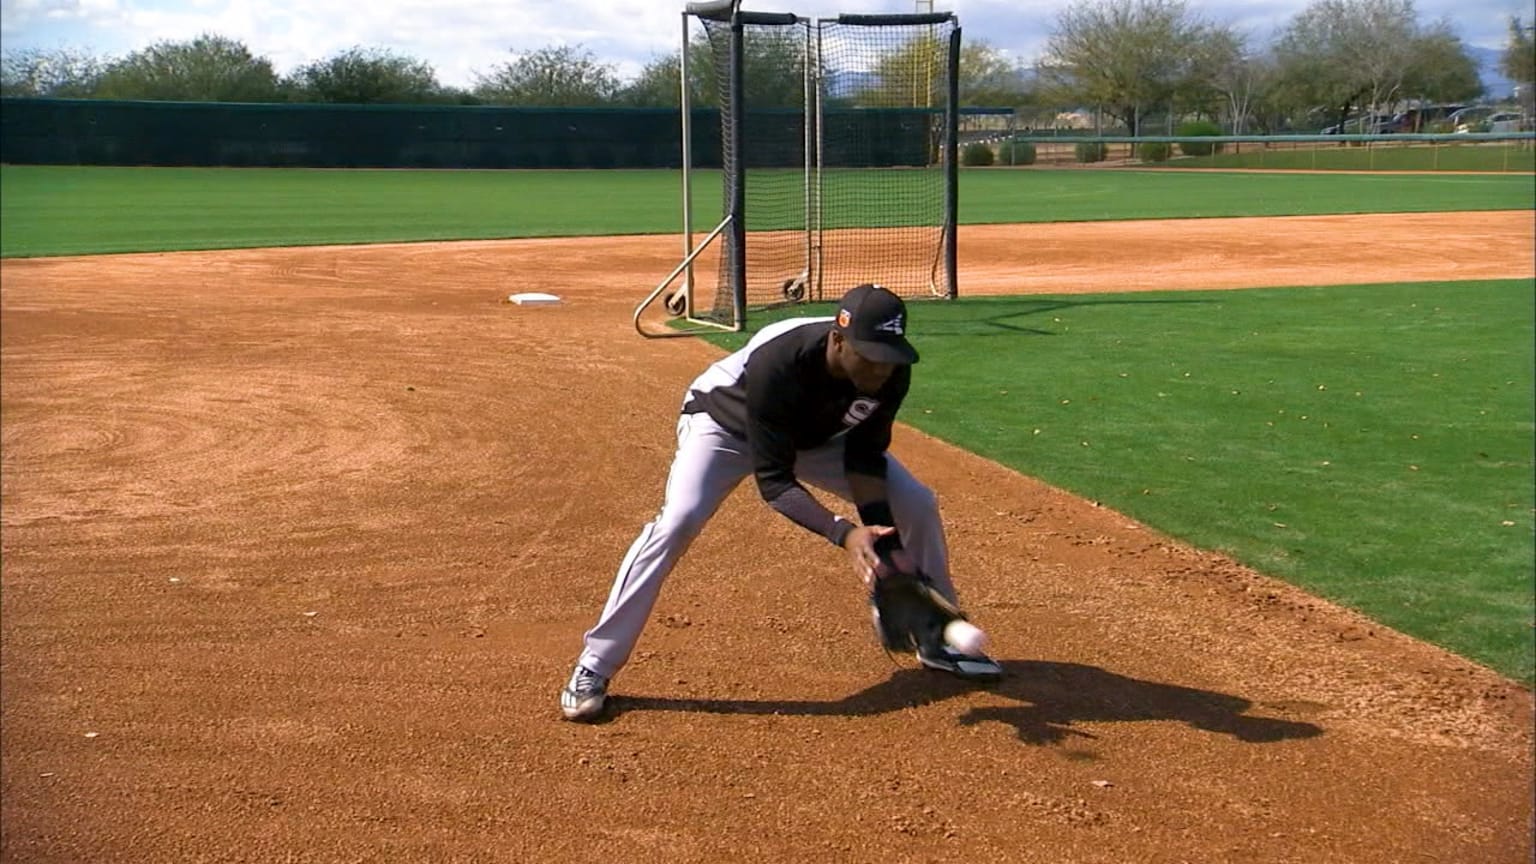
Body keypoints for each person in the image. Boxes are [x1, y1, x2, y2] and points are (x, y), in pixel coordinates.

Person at [560, 283, 1001, 722]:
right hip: (725, 427)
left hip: (818, 439)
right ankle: (594, 665)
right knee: (678, 521)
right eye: (868, 357)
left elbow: (865, 458)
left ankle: (934, 632)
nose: (879, 370)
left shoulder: (892, 368)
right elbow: (774, 482)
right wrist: (845, 534)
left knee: (916, 502)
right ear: (837, 338)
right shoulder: (781, 359)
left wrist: (886, 547)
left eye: (888, 357)